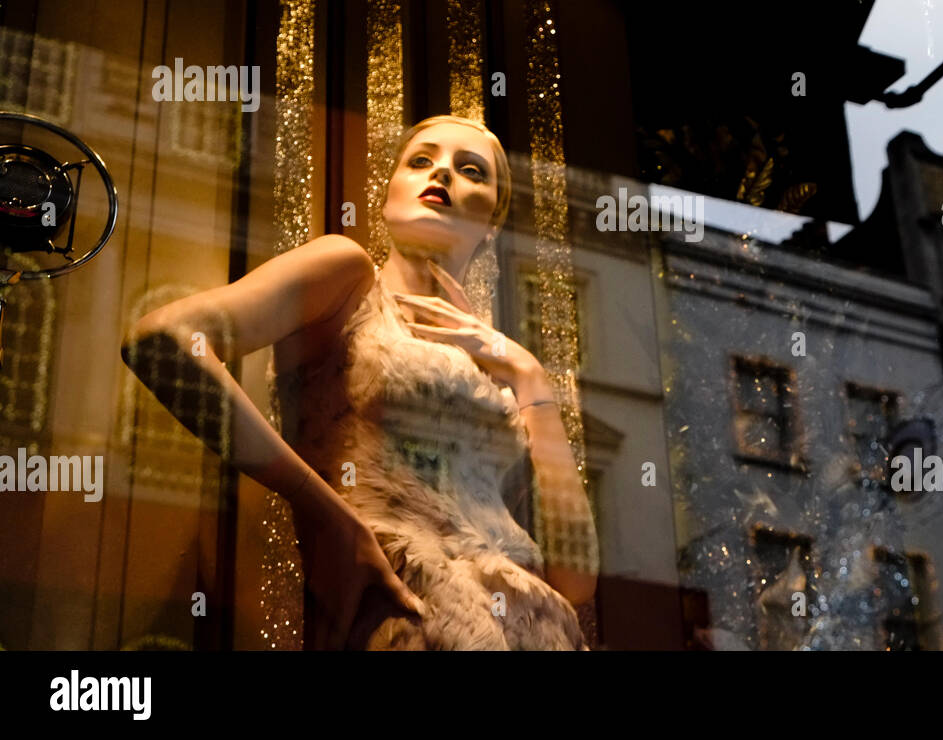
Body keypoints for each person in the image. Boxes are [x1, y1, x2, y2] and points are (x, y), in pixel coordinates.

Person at [121, 115, 599, 649]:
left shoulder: (500, 367)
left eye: (470, 170)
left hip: (539, 632)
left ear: (492, 222)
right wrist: (326, 514)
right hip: (409, 613)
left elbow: (575, 580)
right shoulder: (349, 281)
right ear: (389, 193)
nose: (441, 172)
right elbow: (162, 341)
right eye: (420, 160)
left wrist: (528, 373)